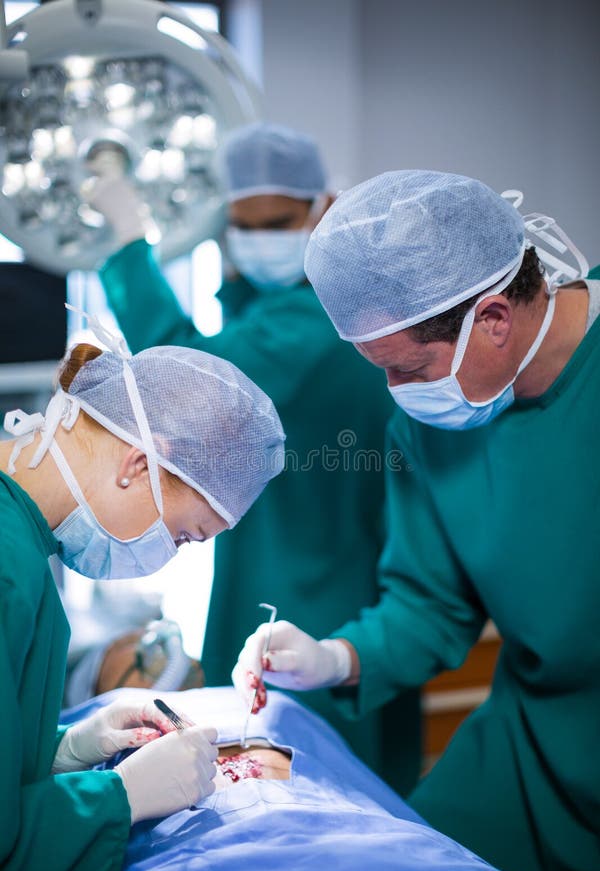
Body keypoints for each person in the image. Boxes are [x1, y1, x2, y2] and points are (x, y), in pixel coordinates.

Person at [233, 171, 600, 871]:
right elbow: (430, 604)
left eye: (409, 368)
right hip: (532, 745)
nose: (398, 394)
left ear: (493, 319)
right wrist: (335, 658)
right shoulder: (434, 425)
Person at [87, 122, 420, 795]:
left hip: (320, 597)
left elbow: (185, 376)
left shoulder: (317, 319)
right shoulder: (277, 310)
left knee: (322, 791)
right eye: (243, 225)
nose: (259, 238)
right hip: (274, 577)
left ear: (323, 208)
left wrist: (128, 246)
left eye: (277, 223)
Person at [0, 320, 285, 871]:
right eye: (183, 536)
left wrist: (60, 750)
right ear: (136, 466)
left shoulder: (21, 542)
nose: (169, 554)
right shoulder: (8, 565)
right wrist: (120, 798)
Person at [60, 687, 537, 871]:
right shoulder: (82, 737)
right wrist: (78, 759)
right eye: (128, 655)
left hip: (392, 857)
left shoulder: (274, 709)